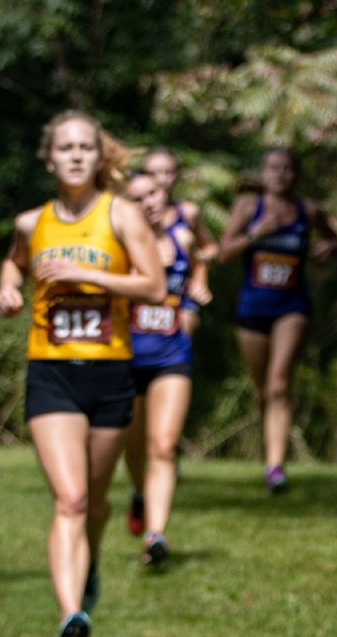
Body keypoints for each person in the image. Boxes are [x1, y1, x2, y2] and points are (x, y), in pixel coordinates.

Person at [0, 110, 166, 637]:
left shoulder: (122, 216)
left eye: (85, 148)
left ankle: (87, 567)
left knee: (92, 500)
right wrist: (8, 291)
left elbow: (154, 286)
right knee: (69, 499)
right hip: (51, 372)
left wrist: (87, 275)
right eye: (64, 148)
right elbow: (13, 264)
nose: (74, 156)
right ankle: (71, 613)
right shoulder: (31, 223)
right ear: (49, 158)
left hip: (110, 373)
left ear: (98, 157)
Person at [217, 148, 337, 494]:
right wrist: (255, 233)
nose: (280, 174)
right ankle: (269, 447)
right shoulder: (248, 207)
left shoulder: (307, 211)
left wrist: (329, 248)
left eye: (287, 168)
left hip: (292, 307)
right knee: (263, 391)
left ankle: (275, 467)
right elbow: (223, 253)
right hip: (252, 309)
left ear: (295, 174)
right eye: (274, 168)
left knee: (279, 384)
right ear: (263, 172)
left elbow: (335, 241)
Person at [120, 170, 196, 568]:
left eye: (152, 194)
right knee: (133, 450)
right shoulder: (118, 246)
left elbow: (198, 269)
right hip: (126, 359)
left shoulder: (183, 239)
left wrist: (194, 302)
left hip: (172, 356)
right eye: (137, 198)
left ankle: (156, 534)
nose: (148, 202)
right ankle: (140, 494)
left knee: (163, 447)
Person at [141, 147, 216, 337]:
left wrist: (199, 281)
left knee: (183, 329)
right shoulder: (129, 215)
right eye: (153, 173)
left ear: (177, 175)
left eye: (168, 172)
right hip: (142, 300)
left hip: (179, 298)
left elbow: (208, 249)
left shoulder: (187, 212)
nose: (161, 179)